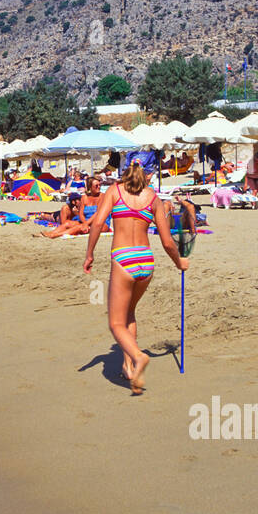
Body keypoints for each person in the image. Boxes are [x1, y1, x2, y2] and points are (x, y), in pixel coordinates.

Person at [83, 160, 188, 394]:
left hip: (123, 259)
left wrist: (89, 254)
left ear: (124, 176)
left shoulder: (115, 191)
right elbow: (167, 241)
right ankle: (128, 367)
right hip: (146, 261)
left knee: (115, 323)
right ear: (145, 177)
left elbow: (98, 223)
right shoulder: (153, 198)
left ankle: (138, 357)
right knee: (129, 312)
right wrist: (179, 262)